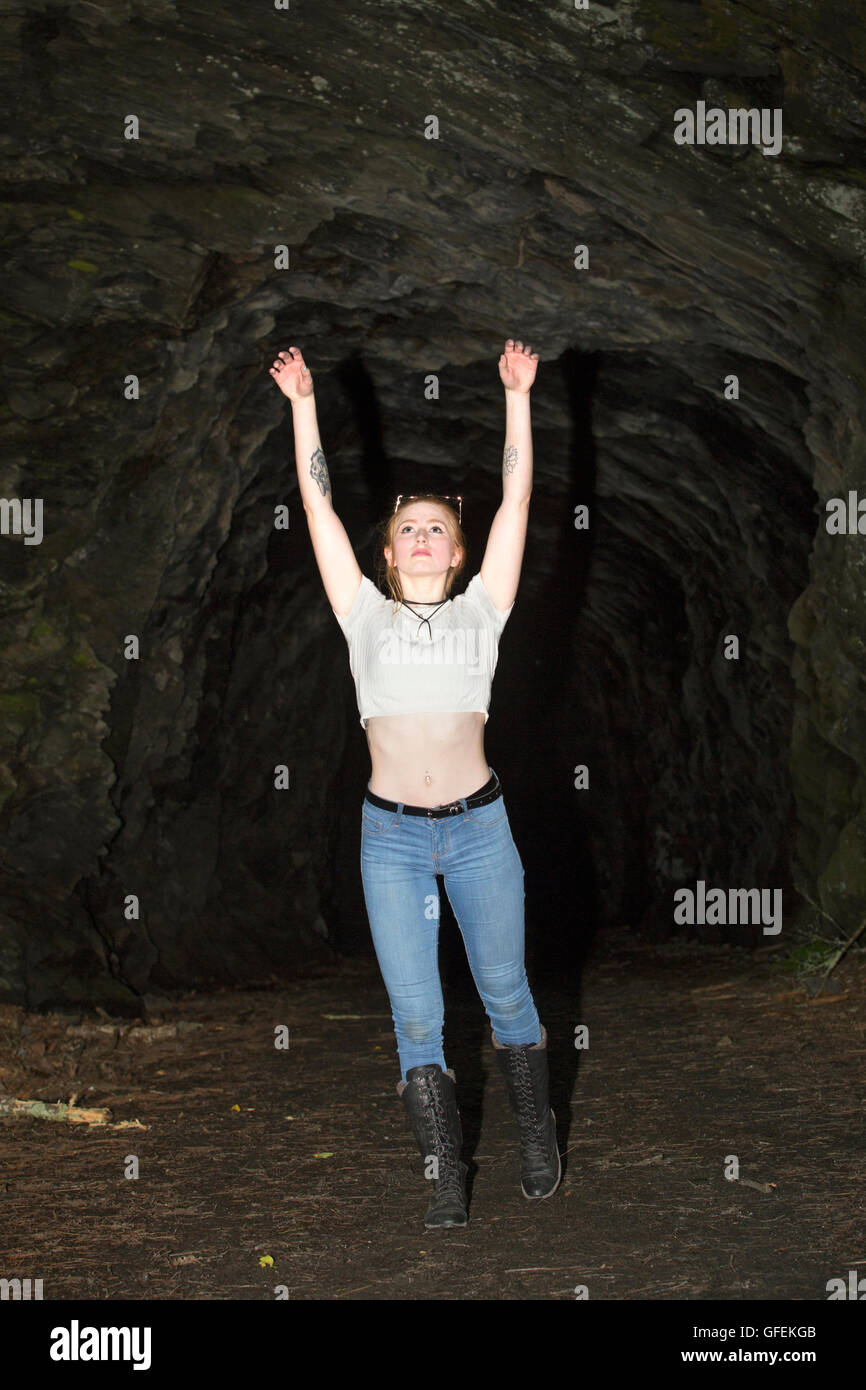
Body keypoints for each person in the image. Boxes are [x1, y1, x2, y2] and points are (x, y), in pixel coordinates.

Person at [269, 339, 560, 1229]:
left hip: (478, 827)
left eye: (437, 526)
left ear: (458, 550)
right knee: (416, 1017)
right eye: (408, 529)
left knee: (506, 992)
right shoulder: (363, 615)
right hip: (391, 836)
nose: (424, 536)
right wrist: (302, 403)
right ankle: (444, 1173)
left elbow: (517, 497)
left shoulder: (484, 611)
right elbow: (317, 502)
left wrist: (517, 397)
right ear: (390, 556)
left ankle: (537, 1129)